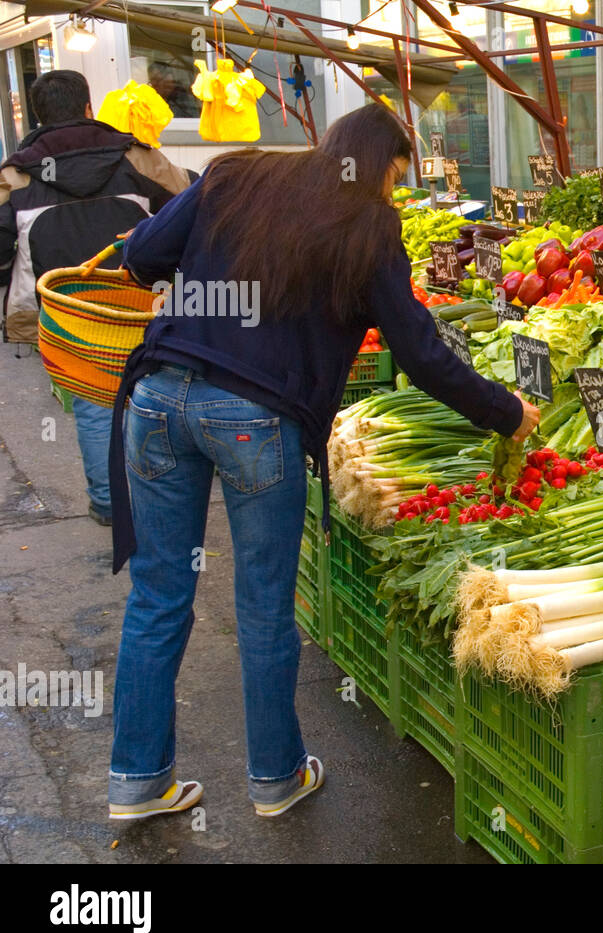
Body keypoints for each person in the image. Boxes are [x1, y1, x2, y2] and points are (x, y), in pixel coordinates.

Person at [106, 103, 540, 820]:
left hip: (157, 397)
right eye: (396, 179)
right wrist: (505, 411)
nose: (394, 195)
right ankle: (275, 780)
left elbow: (142, 256)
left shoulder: (235, 175)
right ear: (378, 165)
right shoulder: (369, 227)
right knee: (264, 606)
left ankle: (137, 784)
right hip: (254, 419)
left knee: (157, 596)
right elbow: (423, 354)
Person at [0, 69, 190, 526]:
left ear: (38, 115)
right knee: (159, 390)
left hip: (69, 309)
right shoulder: (137, 158)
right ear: (88, 107)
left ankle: (108, 502)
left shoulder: (17, 174)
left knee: (92, 399)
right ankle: (164, 500)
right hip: (143, 299)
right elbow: (188, 205)